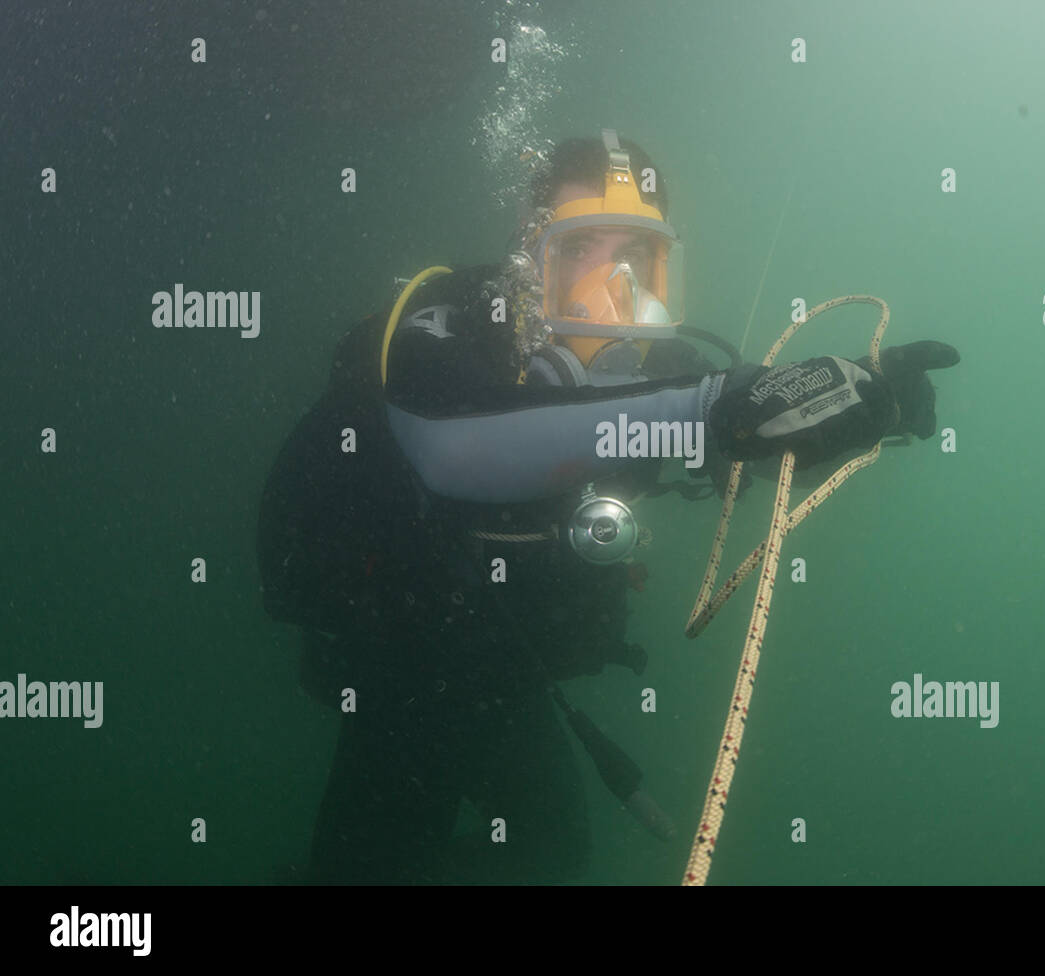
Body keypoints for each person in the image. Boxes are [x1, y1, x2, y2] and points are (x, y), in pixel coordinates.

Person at [256, 129, 959, 883]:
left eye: (641, 255)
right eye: (584, 246)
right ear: (530, 251)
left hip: (509, 672)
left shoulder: (670, 373)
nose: (618, 280)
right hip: (400, 662)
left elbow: (751, 420)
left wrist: (862, 408)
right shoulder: (449, 318)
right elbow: (449, 451)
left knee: (552, 855)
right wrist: (714, 408)